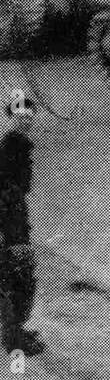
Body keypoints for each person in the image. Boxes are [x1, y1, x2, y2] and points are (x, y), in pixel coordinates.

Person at [0, 90, 42, 356]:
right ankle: (13, 339)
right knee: (15, 281)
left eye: (29, 117)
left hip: (16, 224)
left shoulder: (20, 145)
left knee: (21, 279)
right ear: (11, 119)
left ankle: (17, 331)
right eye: (20, 117)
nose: (25, 121)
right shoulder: (9, 149)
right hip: (9, 228)